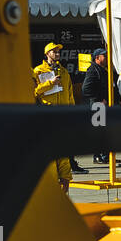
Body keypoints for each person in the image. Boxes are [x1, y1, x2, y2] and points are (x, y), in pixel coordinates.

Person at [32, 42, 75, 191]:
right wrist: (51, 83)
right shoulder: (37, 71)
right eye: (54, 51)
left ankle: (65, 182)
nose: (57, 54)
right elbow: (34, 92)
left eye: (58, 52)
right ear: (47, 54)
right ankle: (49, 184)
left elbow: (69, 94)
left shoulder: (64, 72)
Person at [81, 47, 112, 164]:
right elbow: (86, 89)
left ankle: (105, 155)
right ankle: (97, 156)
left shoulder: (103, 70)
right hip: (97, 105)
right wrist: (99, 100)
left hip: (104, 105)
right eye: (105, 56)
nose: (107, 58)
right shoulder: (93, 70)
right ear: (97, 58)